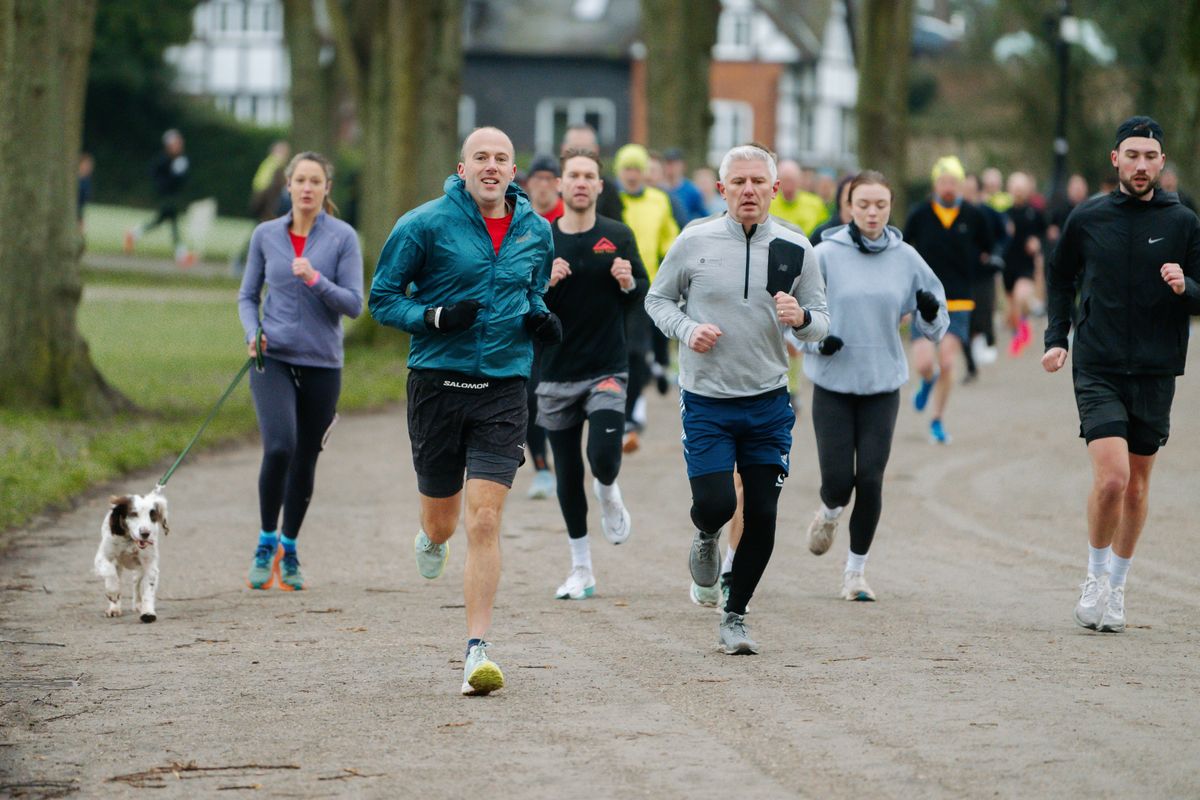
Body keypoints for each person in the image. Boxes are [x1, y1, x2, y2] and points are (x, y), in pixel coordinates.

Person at [370, 127, 559, 695]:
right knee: (444, 520)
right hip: (436, 383)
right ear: (462, 167)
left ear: (513, 170)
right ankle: (430, 537)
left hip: (503, 384)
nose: (492, 166)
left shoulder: (535, 230)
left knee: (484, 518)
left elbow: (534, 291)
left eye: (502, 158)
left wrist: (539, 317)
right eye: (482, 157)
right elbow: (383, 297)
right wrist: (433, 318)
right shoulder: (422, 224)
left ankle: (477, 648)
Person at [646, 144, 829, 655]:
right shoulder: (694, 240)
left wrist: (802, 319)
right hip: (707, 398)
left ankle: (735, 614)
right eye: (738, 182)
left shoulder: (797, 247)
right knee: (716, 503)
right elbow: (657, 299)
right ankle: (705, 535)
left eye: (758, 182)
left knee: (763, 515)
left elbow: (822, 321)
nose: (749, 191)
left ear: (775, 189)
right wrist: (686, 329)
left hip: (769, 399)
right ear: (721, 189)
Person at [1043, 116, 1200, 634]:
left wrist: (1186, 288)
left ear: (1162, 161)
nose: (1140, 165)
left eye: (1150, 156)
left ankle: (1118, 588)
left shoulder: (1184, 222)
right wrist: (1055, 338)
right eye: (1131, 155)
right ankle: (1093, 578)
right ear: (1115, 159)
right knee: (1112, 478)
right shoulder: (1087, 218)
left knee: (1136, 488)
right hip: (1099, 363)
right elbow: (1060, 278)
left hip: (1156, 368)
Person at [800, 171, 948, 601]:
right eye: (863, 204)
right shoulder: (824, 254)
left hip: (882, 382)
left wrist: (929, 312)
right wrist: (815, 342)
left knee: (870, 477)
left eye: (880, 205)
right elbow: (794, 317)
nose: (871, 212)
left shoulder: (907, 258)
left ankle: (855, 574)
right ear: (849, 205)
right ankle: (829, 512)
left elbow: (936, 326)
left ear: (890, 206)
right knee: (838, 482)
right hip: (833, 382)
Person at [238, 151, 363, 593]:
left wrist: (315, 280)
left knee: (306, 456)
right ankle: (265, 540)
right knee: (279, 447)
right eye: (300, 181)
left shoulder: (343, 238)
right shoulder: (265, 236)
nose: (307, 188)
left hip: (322, 362)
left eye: (316, 181)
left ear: (327, 188)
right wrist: (253, 332)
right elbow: (247, 296)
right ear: (287, 185)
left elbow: (353, 304)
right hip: (272, 357)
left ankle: (289, 549)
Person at [540, 148, 649, 599]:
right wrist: (542, 285)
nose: (581, 182)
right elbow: (520, 305)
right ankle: (581, 568)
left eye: (589, 176)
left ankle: (608, 491)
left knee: (602, 458)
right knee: (567, 474)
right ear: (561, 186)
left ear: (601, 186)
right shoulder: (542, 238)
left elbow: (642, 291)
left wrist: (627, 283)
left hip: (607, 367)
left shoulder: (618, 235)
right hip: (554, 370)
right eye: (573, 175)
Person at [904, 156, 994, 444]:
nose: (948, 187)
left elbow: (990, 246)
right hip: (925, 300)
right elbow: (903, 252)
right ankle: (927, 381)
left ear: (960, 184)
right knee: (923, 364)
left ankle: (937, 421)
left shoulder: (973, 215)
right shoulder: (920, 214)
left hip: (959, 300)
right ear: (935, 184)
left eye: (953, 182)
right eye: (943, 182)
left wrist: (983, 264)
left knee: (948, 362)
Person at [614, 143, 680, 451]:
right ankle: (612, 407)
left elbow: (670, 239)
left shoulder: (659, 201)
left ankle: (633, 408)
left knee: (637, 352)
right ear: (619, 172)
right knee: (615, 351)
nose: (632, 174)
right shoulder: (612, 201)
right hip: (611, 288)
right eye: (627, 168)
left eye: (637, 169)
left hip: (646, 287)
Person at [521, 153, 565, 499]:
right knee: (530, 395)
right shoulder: (520, 222)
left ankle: (568, 463)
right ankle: (542, 468)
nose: (544, 185)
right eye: (539, 178)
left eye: (551, 179)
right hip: (530, 324)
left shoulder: (570, 221)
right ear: (528, 184)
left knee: (565, 397)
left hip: (569, 325)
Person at [125, 129, 195, 267]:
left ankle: (133, 234)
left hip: (172, 197)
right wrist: (171, 177)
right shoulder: (163, 160)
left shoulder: (181, 160)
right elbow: (158, 177)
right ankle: (181, 255)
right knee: (172, 221)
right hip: (166, 197)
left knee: (160, 221)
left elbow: (182, 179)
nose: (179, 146)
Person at [962, 173, 1008, 373]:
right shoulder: (955, 213)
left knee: (983, 311)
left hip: (984, 273)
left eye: (971, 190)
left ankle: (986, 341)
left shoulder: (988, 213)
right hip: (961, 273)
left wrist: (993, 254)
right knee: (965, 317)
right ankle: (970, 362)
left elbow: (1005, 235)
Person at [1001, 171, 1046, 357]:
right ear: (1009, 189)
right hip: (1008, 264)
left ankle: (1023, 328)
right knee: (1012, 307)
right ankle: (1020, 331)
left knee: (1021, 296)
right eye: (1015, 187)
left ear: (1027, 189)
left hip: (1026, 265)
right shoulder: (1004, 214)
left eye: (1021, 187)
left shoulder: (1034, 213)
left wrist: (1037, 242)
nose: (1018, 191)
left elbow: (1045, 235)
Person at [560, 123, 623, 220]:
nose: (580, 153)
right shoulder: (548, 185)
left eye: (586, 149)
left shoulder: (609, 190)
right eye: (574, 148)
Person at [769, 160, 829, 236]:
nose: (788, 185)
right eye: (785, 180)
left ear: (799, 180)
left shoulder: (816, 203)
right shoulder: (769, 203)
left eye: (792, 180)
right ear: (777, 182)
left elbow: (824, 229)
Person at [662, 148, 709, 224]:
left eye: (675, 164)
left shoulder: (692, 190)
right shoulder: (659, 189)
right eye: (668, 164)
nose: (671, 168)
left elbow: (703, 215)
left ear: (683, 166)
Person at [810, 174, 855, 245]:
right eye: (848, 193)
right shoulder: (822, 232)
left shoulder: (866, 234)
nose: (852, 198)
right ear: (839, 197)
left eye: (856, 193)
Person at [77, 153, 94, 235]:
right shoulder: (76, 180)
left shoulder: (87, 181)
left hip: (79, 211)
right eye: (86, 165)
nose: (88, 168)